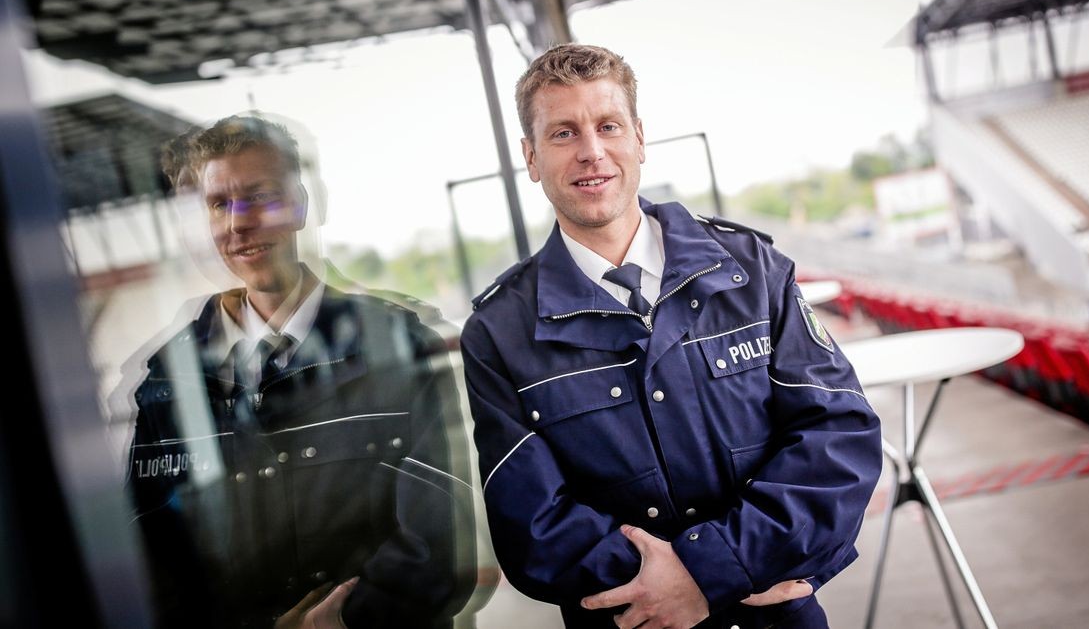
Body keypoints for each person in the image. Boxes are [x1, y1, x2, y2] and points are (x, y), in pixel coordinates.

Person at [460, 44, 882, 628]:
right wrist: (669, 589)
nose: (591, 151)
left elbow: (839, 435)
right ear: (531, 157)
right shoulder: (498, 333)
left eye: (608, 126)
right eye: (563, 133)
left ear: (639, 138)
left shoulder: (752, 269)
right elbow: (530, 522)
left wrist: (716, 570)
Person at [123, 115, 475, 628]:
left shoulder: (400, 345)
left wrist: (337, 621)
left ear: (301, 205)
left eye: (259, 197)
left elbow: (440, 543)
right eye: (219, 204)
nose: (239, 223)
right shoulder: (167, 381)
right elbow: (147, 557)